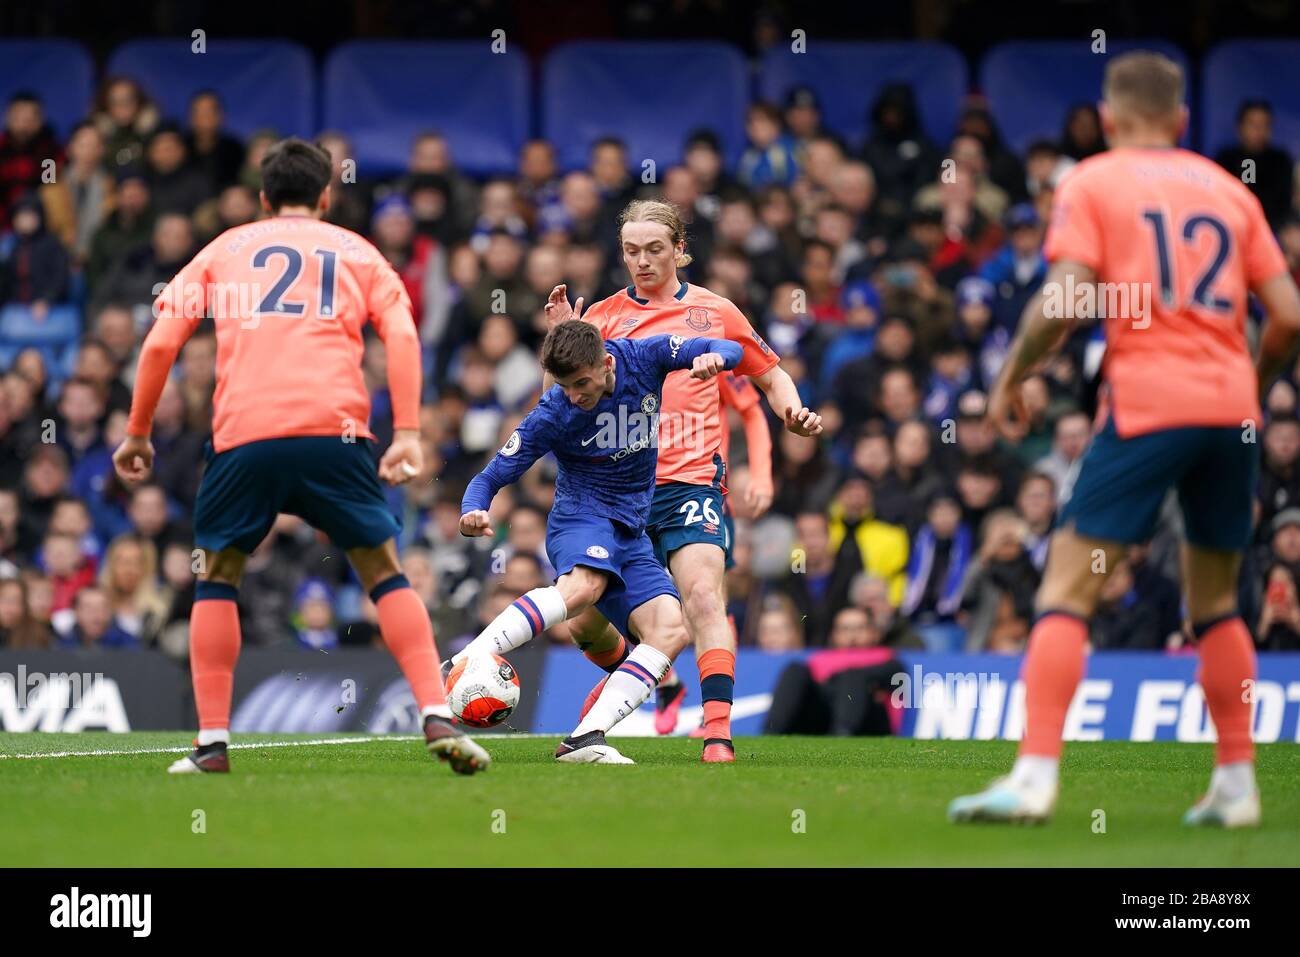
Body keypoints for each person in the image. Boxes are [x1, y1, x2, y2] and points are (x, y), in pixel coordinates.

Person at [950, 52, 1300, 828]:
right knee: (1216, 603)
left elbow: (1070, 294)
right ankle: (1238, 784)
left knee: (1065, 588)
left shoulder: (1094, 180)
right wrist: (1247, 373)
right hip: (1231, 414)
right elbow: (1288, 314)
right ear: (1182, 122)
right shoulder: (1230, 190)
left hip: (1148, 405)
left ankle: (1036, 777)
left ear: (1108, 120)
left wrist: (1013, 371)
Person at [111, 137, 489, 776]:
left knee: (218, 577)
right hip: (335, 435)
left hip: (245, 438)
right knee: (384, 572)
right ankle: (434, 712)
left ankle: (210, 745)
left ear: (263, 201)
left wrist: (139, 431)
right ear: (325, 196)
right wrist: (408, 432)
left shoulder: (225, 248)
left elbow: (159, 344)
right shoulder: (356, 250)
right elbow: (401, 332)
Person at [543, 198, 822, 762]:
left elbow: (771, 377)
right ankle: (656, 675)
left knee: (701, 595)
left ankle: (716, 730)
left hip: (690, 482)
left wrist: (793, 411)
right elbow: (559, 405)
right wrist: (558, 342)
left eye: (654, 249)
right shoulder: (600, 316)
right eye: (630, 251)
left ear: (679, 250)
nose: (641, 261)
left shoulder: (716, 312)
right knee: (583, 620)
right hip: (617, 491)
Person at [454, 319, 745, 763]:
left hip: (630, 532)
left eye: (582, 383)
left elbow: (726, 346)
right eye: (566, 385)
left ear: (606, 363)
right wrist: (472, 510)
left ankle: (584, 739)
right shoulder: (554, 411)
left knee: (670, 628)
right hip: (581, 519)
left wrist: (716, 357)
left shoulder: (644, 358)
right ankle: (465, 660)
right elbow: (491, 475)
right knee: (584, 589)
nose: (575, 394)